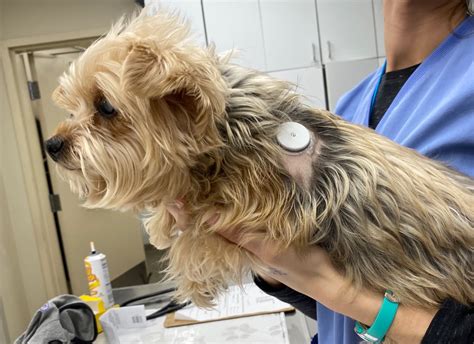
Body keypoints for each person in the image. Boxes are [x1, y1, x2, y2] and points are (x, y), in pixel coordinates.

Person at [167, 0, 474, 342]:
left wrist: (344, 295)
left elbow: (348, 296)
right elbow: (343, 307)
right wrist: (270, 259)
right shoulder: (352, 104)